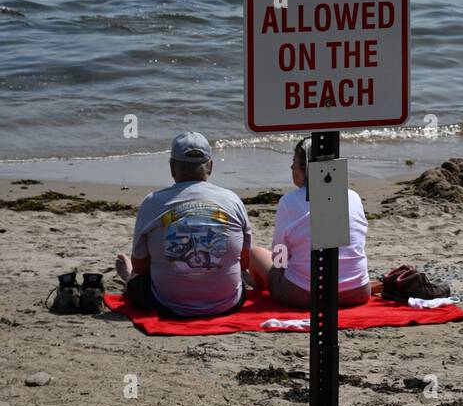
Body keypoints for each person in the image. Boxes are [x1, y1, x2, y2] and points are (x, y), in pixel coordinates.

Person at [115, 131, 252, 319]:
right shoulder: (232, 200)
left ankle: (127, 275)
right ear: (210, 166)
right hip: (227, 303)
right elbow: (244, 263)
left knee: (136, 280)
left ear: (172, 167)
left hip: (167, 304)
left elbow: (141, 267)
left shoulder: (152, 202)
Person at [249, 140, 372, 309]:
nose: (291, 169)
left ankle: (261, 289)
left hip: (305, 293)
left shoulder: (289, 201)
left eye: (294, 164)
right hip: (357, 291)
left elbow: (279, 257)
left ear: (304, 168)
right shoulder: (353, 196)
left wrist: (284, 270)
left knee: (256, 254)